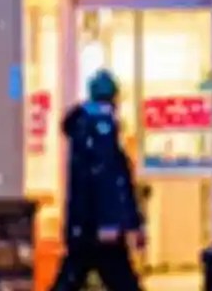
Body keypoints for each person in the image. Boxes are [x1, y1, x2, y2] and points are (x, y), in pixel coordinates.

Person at [49, 70, 145, 291]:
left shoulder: (84, 126)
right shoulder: (101, 126)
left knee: (74, 276)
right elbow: (108, 178)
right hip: (99, 228)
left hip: (85, 225)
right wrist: (117, 222)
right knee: (121, 281)